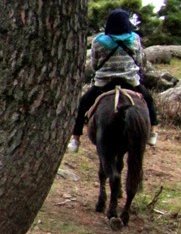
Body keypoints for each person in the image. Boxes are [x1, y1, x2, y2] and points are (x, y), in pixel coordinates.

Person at [68, 9, 159, 152]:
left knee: (83, 103)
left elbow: (95, 64)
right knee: (148, 99)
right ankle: (153, 132)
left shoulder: (98, 41)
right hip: (130, 81)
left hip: (104, 82)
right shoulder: (135, 39)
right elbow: (139, 60)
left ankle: (76, 139)